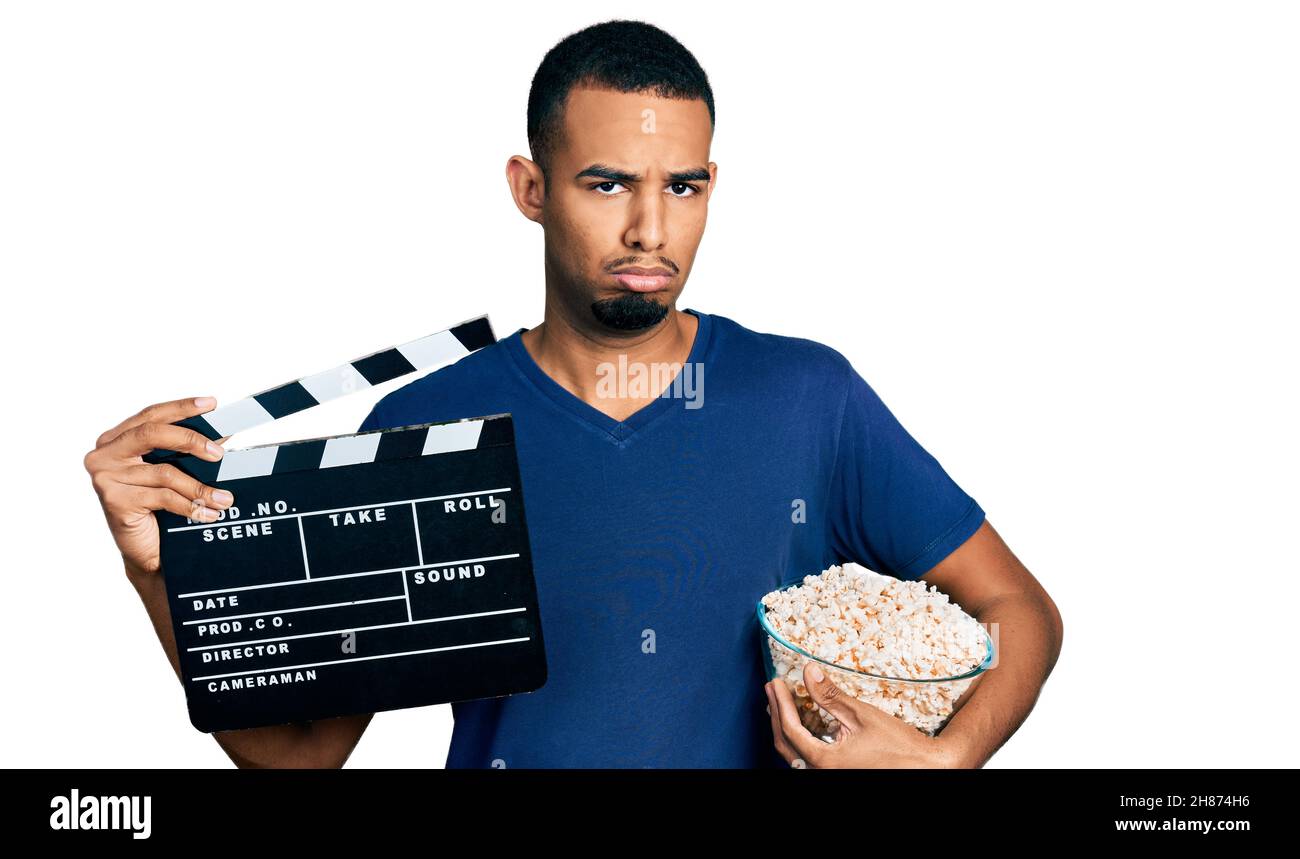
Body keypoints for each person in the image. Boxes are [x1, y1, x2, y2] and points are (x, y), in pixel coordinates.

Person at [85, 19, 1063, 768]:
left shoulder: (807, 395)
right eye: (606, 184)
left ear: (712, 185)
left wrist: (946, 754)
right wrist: (155, 574)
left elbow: (1016, 605)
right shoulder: (423, 426)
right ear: (530, 187)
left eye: (681, 186)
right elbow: (299, 751)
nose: (649, 227)